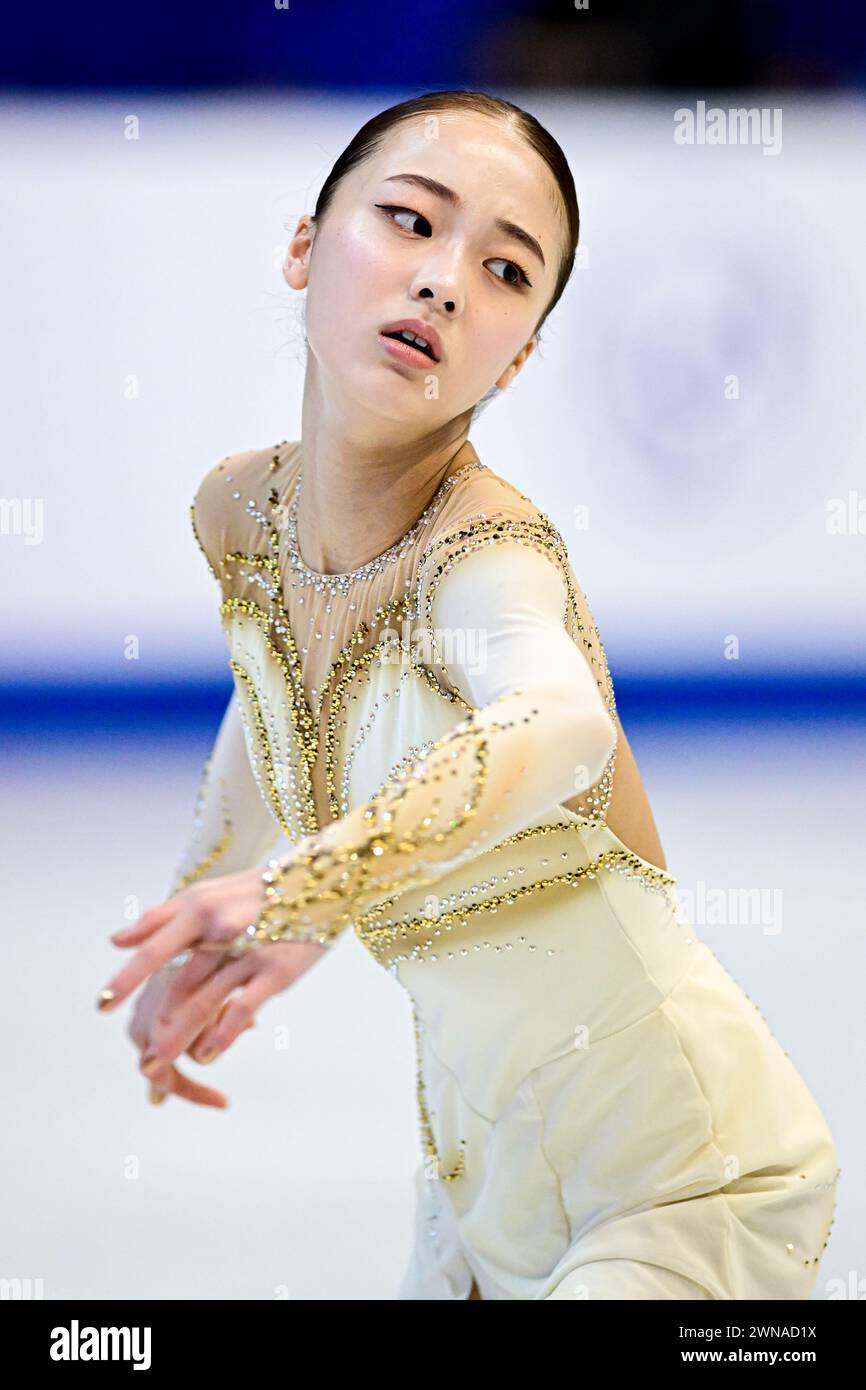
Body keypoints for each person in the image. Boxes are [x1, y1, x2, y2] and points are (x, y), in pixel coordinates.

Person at [97, 89, 840, 1301]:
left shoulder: (486, 555)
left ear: (521, 352)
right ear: (302, 246)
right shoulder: (242, 513)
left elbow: (558, 723)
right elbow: (279, 693)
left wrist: (305, 884)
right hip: (475, 1190)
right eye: (408, 220)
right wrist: (218, 914)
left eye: (504, 270)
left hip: (681, 1188)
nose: (443, 283)